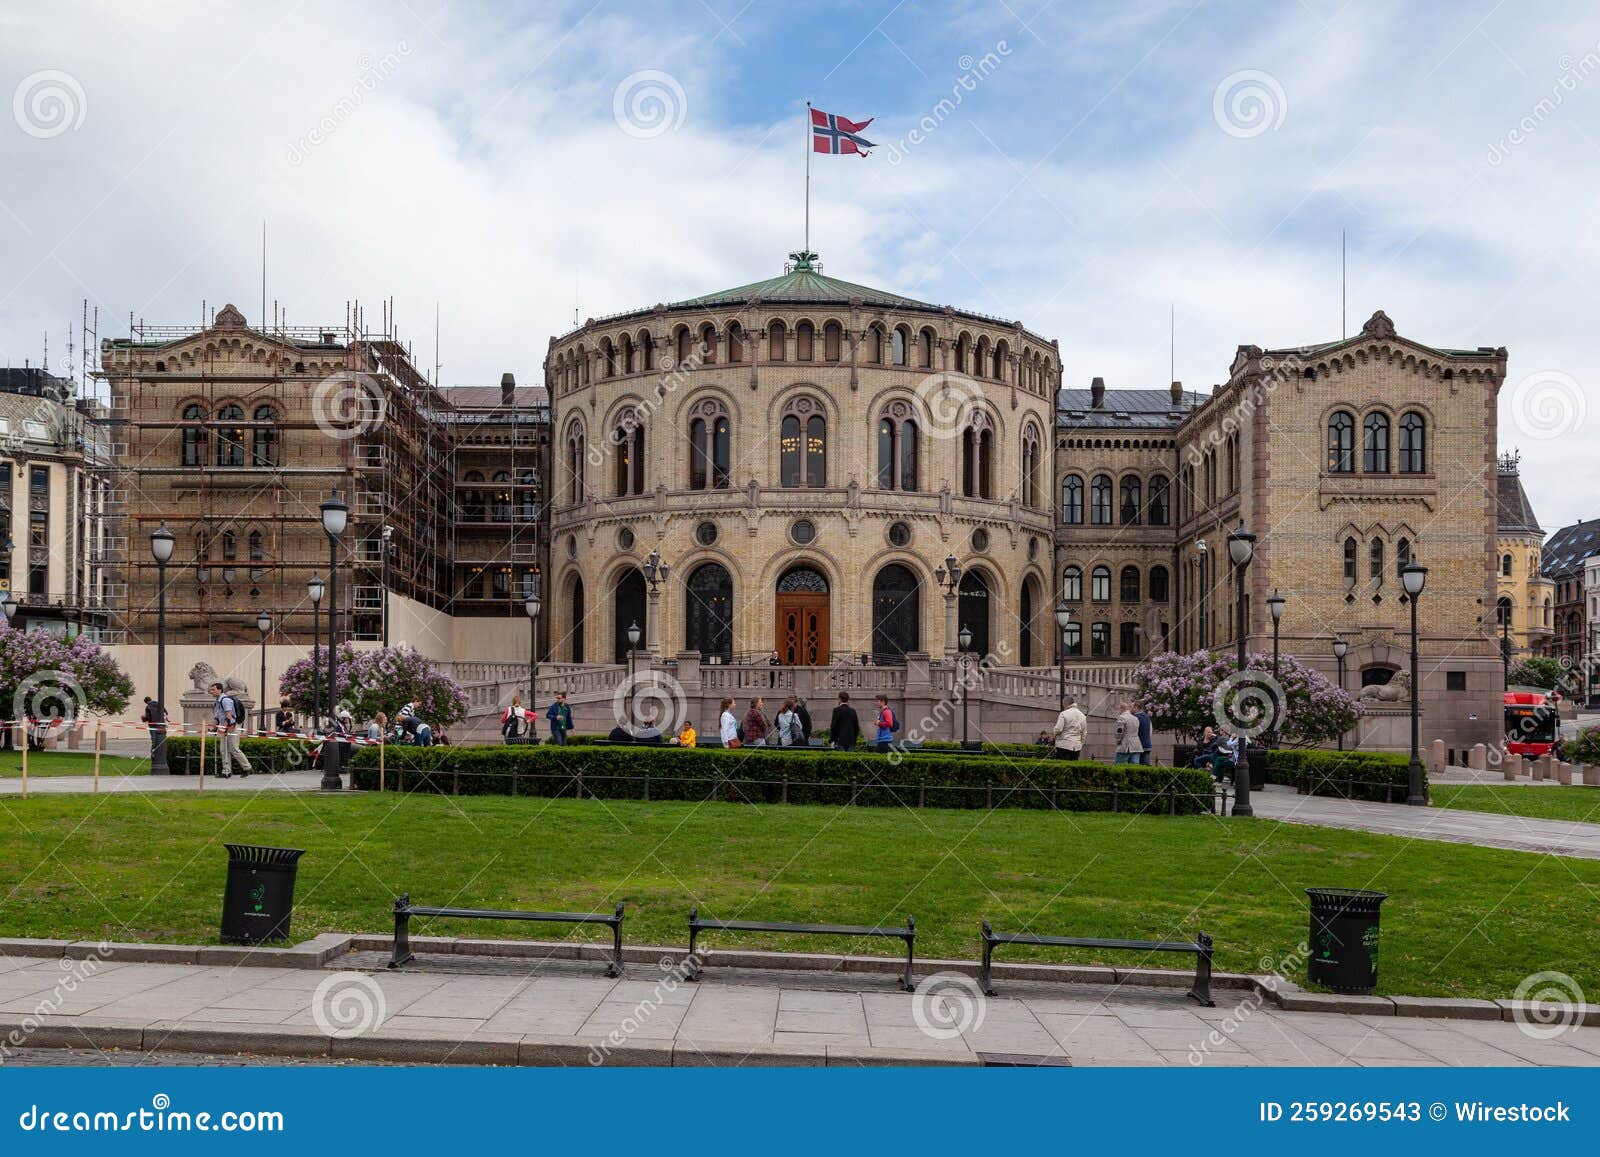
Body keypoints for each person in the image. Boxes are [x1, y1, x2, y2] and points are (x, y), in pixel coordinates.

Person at [209, 681, 251, 778]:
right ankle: (226, 771)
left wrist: (224, 727)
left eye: (213, 690)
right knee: (223, 749)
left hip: (233, 726)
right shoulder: (217, 702)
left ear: (219, 690)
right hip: (225, 727)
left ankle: (247, 767)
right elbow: (217, 717)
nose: (211, 692)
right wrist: (214, 728)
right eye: (211, 690)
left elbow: (229, 715)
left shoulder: (225, 700)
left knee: (233, 748)